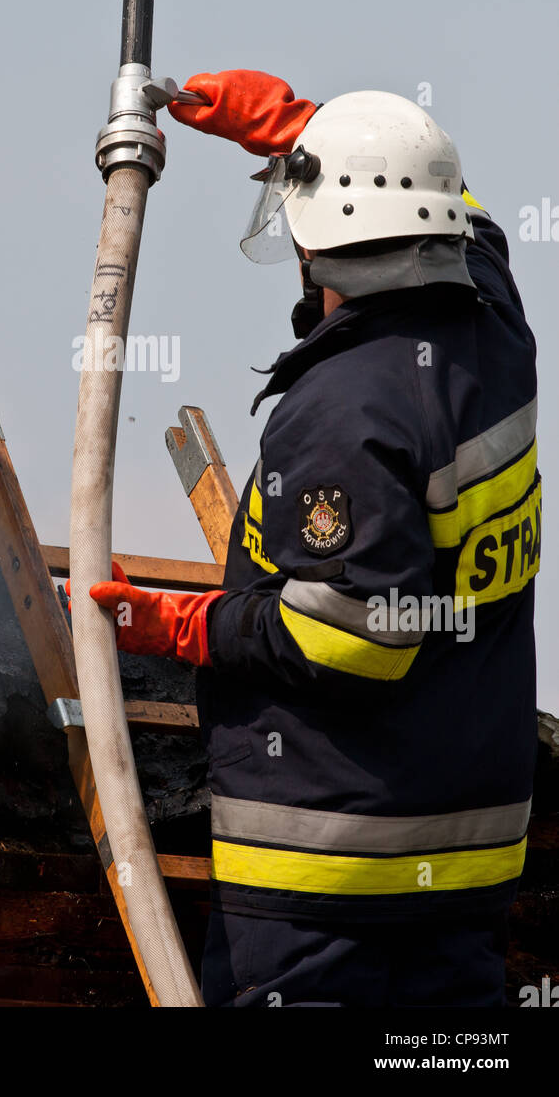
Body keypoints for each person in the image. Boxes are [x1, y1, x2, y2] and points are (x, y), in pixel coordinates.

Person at [82, 71, 540, 1007]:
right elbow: (476, 222)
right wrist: (295, 127)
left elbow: (353, 640)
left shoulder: (342, 414)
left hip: (329, 882)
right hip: (466, 858)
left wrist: (189, 629)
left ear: (318, 251)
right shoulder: (496, 330)